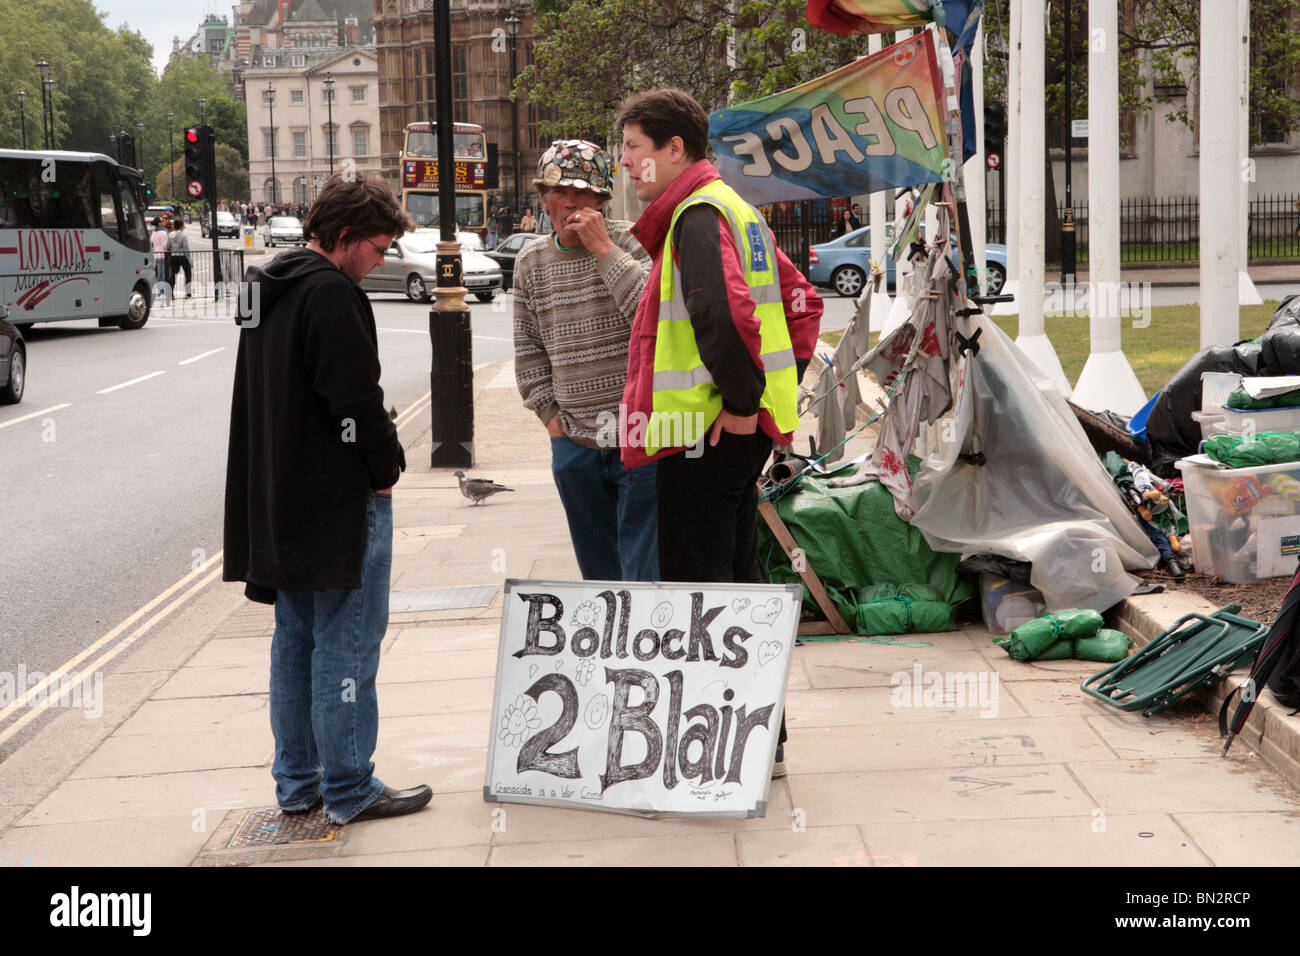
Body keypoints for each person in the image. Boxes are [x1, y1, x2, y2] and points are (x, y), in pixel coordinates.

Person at [615, 89, 823, 778]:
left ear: (675, 149)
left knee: (701, 593)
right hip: (730, 434)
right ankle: (762, 742)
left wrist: (742, 401)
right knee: (738, 580)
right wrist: (767, 406)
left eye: (634, 150)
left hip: (705, 434)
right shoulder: (735, 211)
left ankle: (723, 752)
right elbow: (801, 305)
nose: (626, 164)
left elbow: (726, 318)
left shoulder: (698, 218)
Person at [223, 172, 432, 825]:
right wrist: (385, 470)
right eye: (376, 246)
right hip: (339, 498)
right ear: (343, 238)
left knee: (295, 640)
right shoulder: (333, 295)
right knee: (349, 642)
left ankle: (298, 784)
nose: (379, 261)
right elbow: (356, 401)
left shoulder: (266, 287)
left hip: (279, 498)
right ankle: (348, 786)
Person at [514, 139, 657, 581]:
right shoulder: (531, 260)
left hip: (639, 438)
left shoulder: (631, 242)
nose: (570, 201)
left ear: (601, 200)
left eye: (582, 192)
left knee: (644, 573)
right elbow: (527, 349)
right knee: (599, 577)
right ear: (543, 198)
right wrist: (552, 422)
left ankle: (646, 650)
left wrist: (603, 251)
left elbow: (652, 319)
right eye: (558, 191)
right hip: (574, 442)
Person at [167, 218, 193, 297]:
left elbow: (167, 246)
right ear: (181, 226)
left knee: (173, 275)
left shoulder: (170, 235)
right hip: (183, 257)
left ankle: (171, 293)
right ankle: (188, 293)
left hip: (174, 256)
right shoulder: (183, 235)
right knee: (188, 274)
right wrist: (190, 261)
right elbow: (186, 248)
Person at [150, 218, 170, 300]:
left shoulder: (154, 232)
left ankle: (159, 290)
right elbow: (165, 245)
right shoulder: (164, 232)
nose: (164, 222)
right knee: (162, 274)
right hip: (162, 254)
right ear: (159, 223)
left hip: (156, 254)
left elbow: (151, 241)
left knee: (158, 273)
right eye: (162, 221)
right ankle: (161, 290)